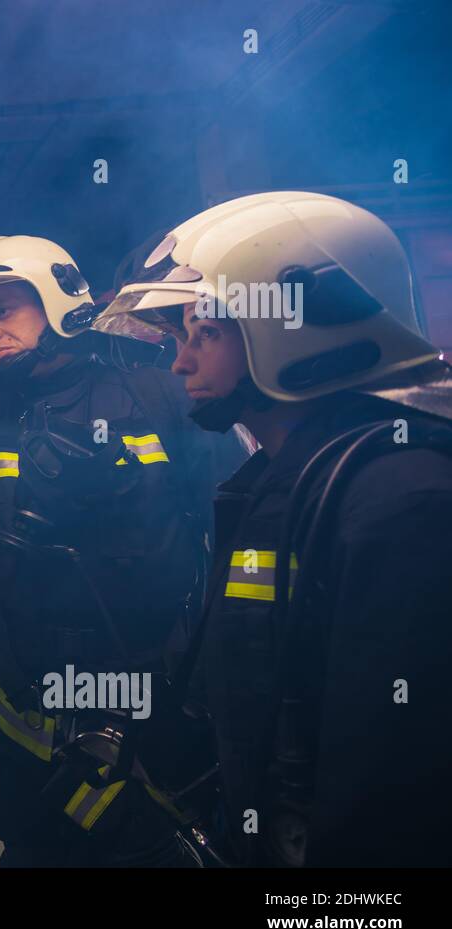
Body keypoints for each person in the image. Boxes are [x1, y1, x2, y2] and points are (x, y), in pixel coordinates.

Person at [93, 190, 452, 866]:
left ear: (296, 328)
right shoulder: (283, 484)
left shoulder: (401, 502)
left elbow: (392, 799)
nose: (180, 362)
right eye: (180, 337)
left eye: (205, 333)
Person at [0, 236, 243, 866]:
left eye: (4, 310)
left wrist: (224, 685)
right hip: (31, 730)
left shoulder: (160, 398)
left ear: (56, 302)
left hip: (154, 719)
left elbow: (233, 533)